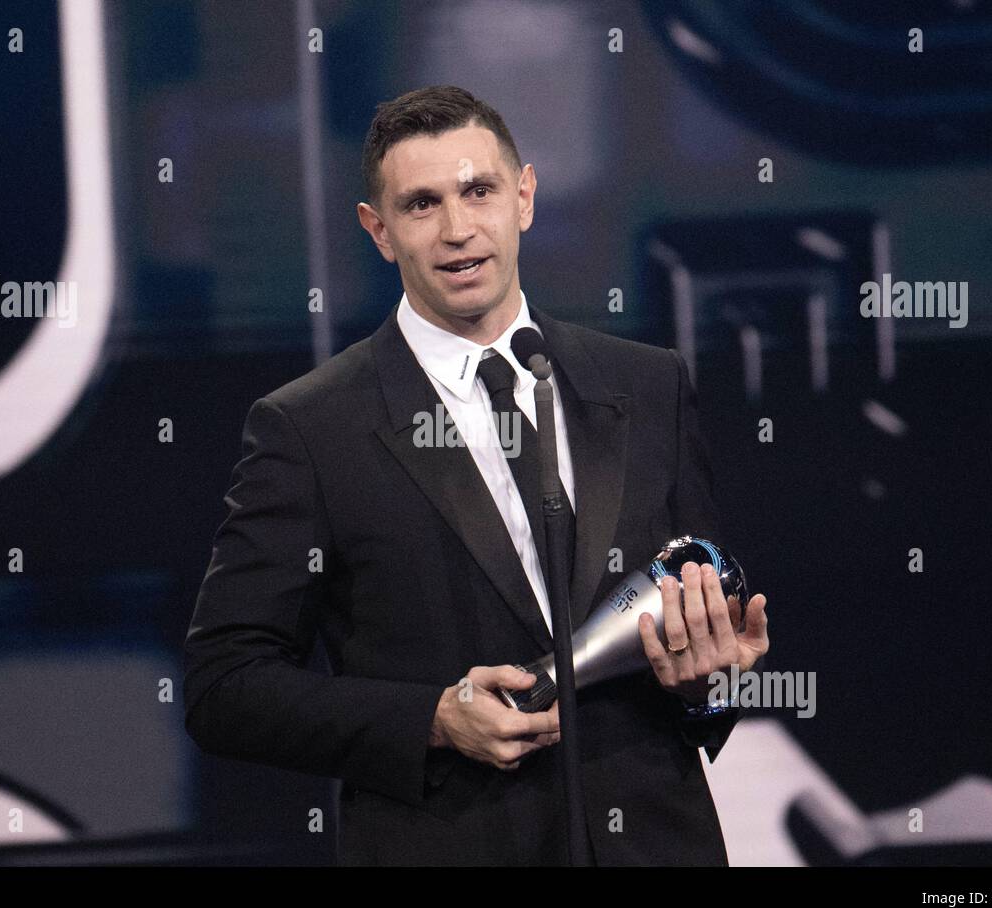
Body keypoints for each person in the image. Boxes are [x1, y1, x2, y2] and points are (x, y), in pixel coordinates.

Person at [183, 85, 770, 865]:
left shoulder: (645, 383)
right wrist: (432, 717)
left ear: (523, 197)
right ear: (378, 231)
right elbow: (225, 686)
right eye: (421, 204)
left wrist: (708, 682)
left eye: (478, 191)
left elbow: (697, 643)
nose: (458, 231)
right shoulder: (310, 429)